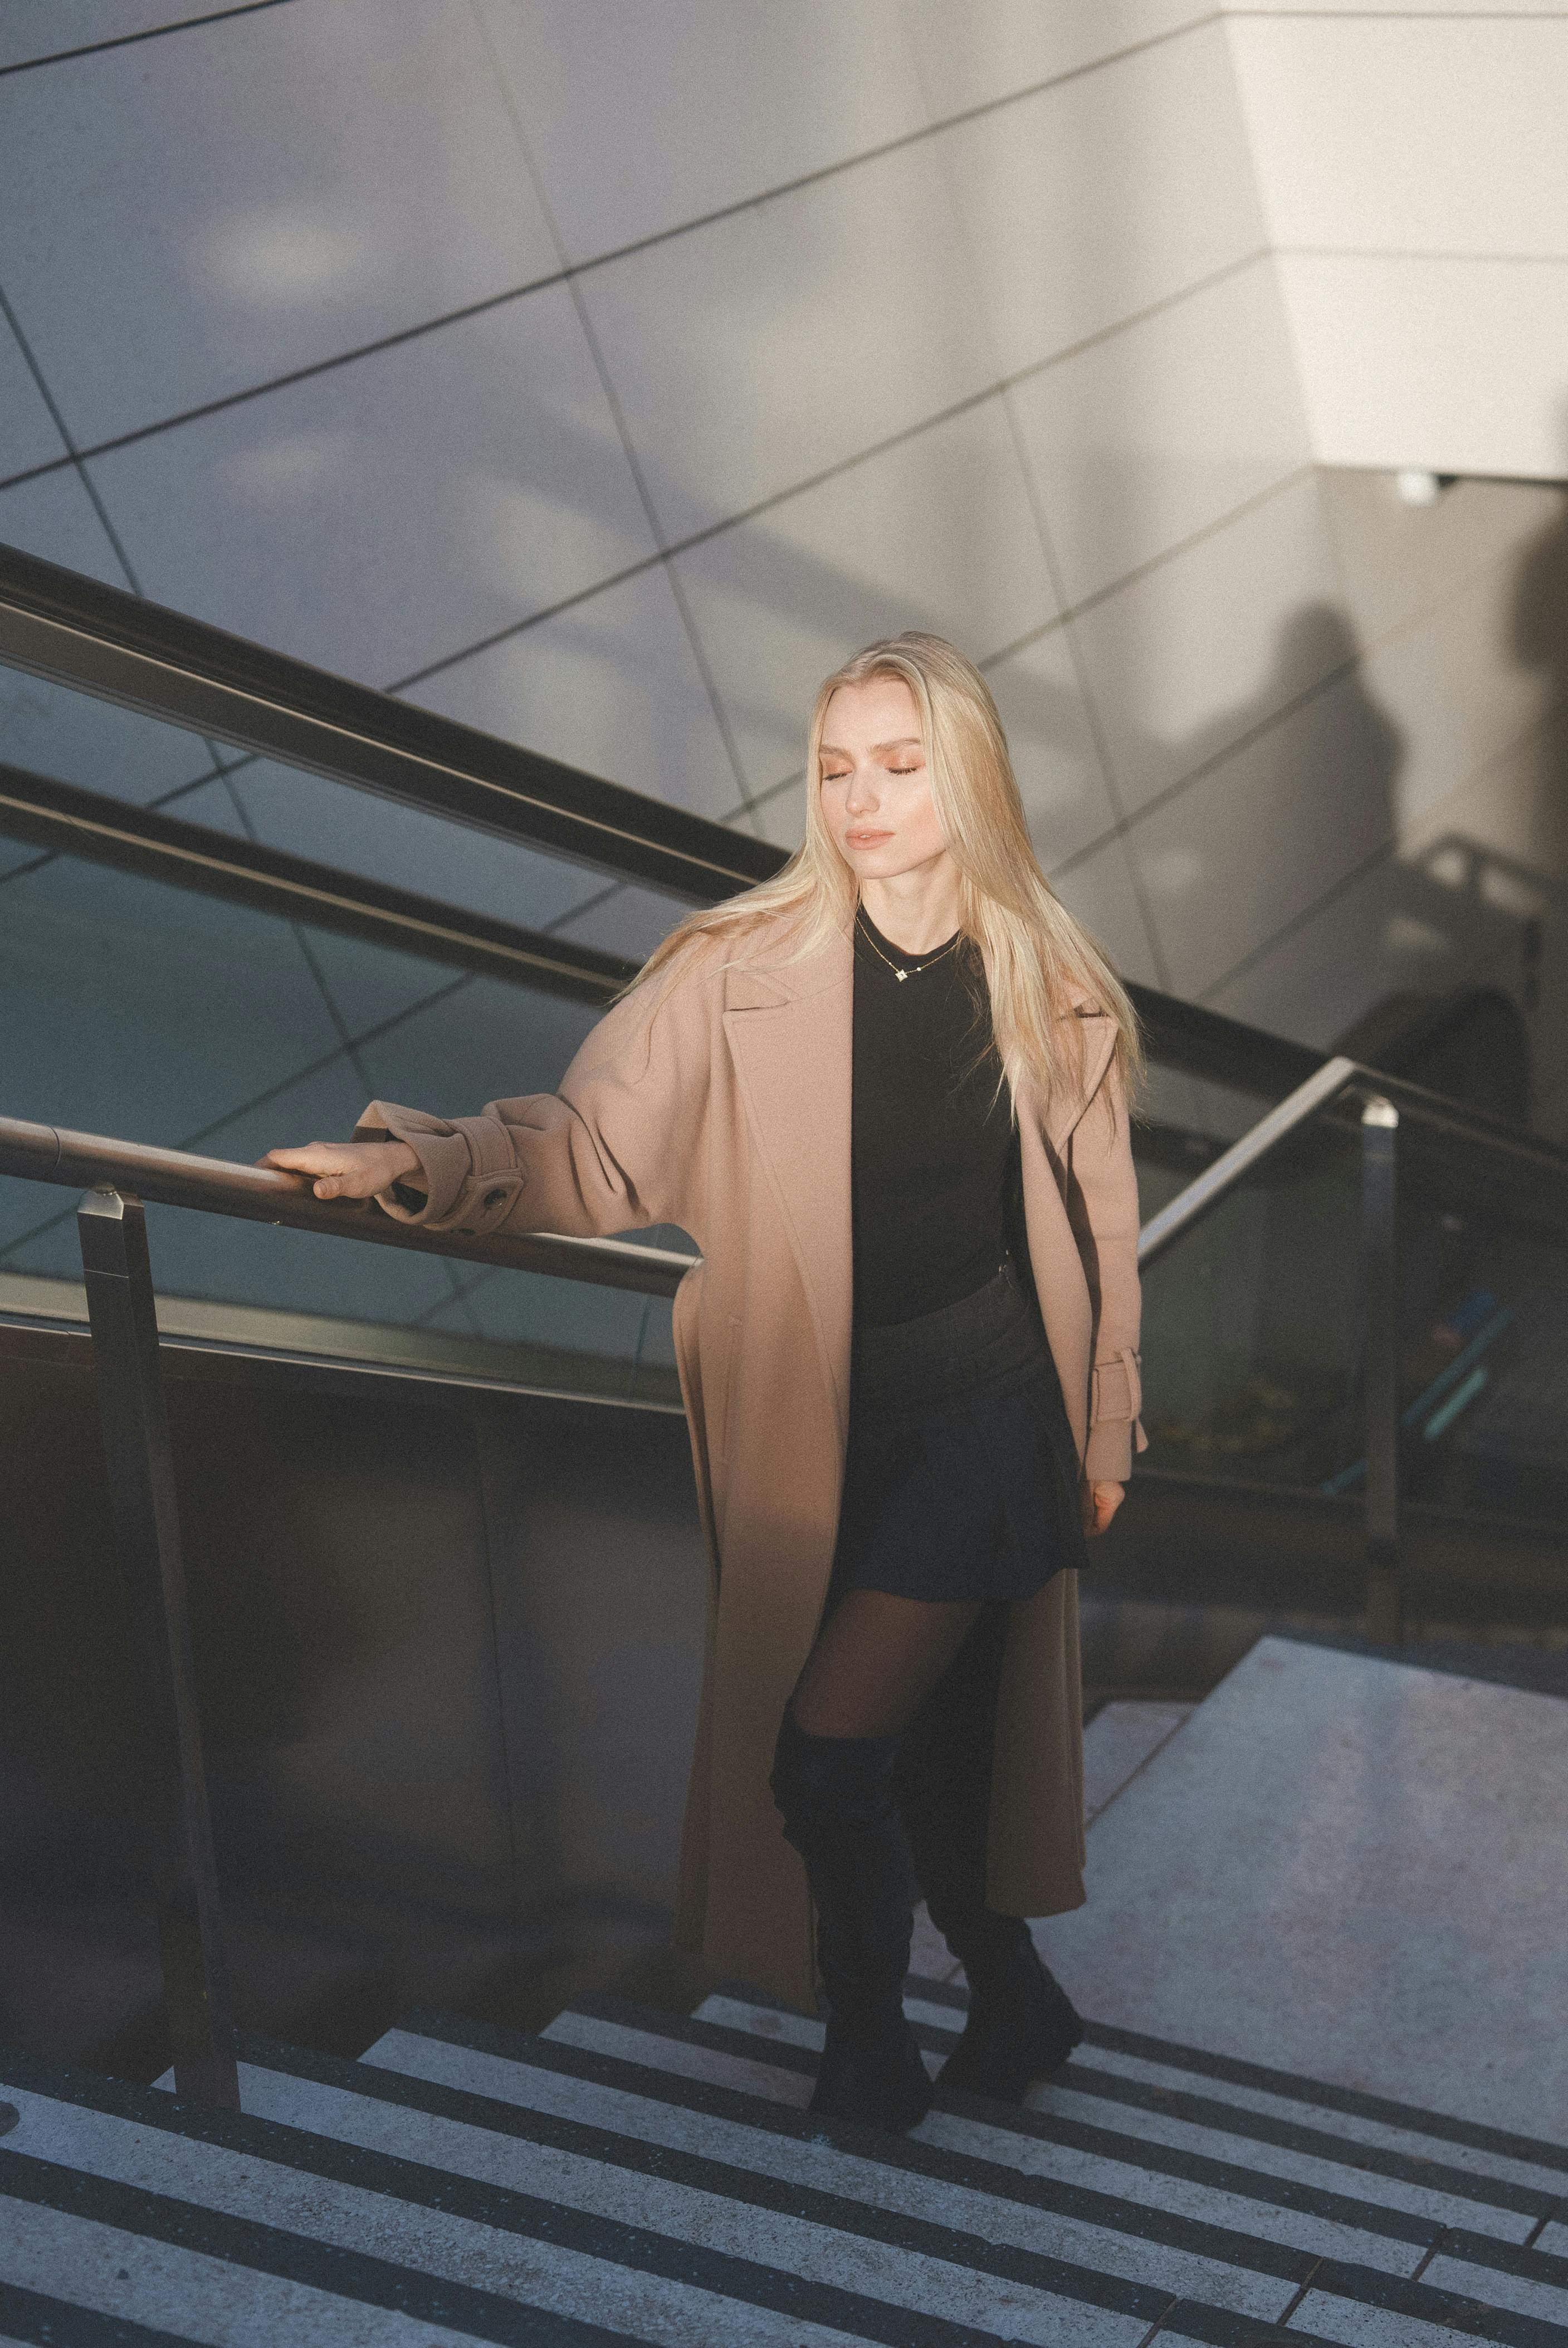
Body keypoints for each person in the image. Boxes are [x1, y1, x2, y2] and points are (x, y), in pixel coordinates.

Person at [263, 632, 1146, 2136]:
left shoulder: (1048, 988)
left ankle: (868, 2047)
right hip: (816, 1426)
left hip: (988, 1415)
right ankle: (1016, 2000)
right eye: (836, 769)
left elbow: (1099, 1232)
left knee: (830, 1750)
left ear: (971, 776)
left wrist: (1107, 1429)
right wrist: (420, 1163)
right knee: (933, 1749)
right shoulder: (735, 973)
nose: (861, 801)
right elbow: (589, 1148)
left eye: (901, 765)